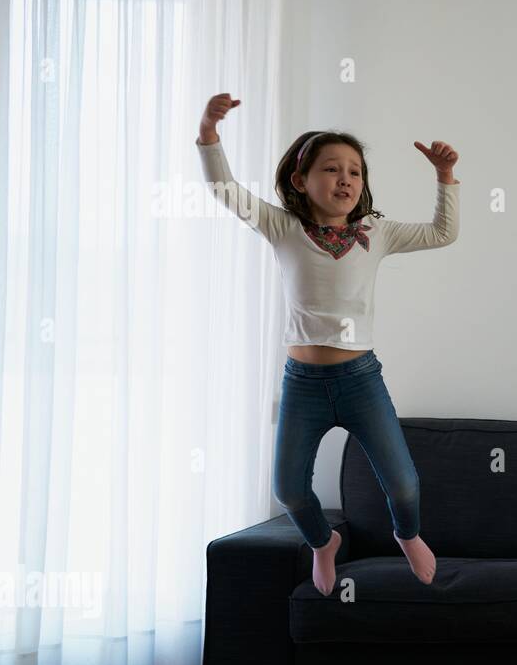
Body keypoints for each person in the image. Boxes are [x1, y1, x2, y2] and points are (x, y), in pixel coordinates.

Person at [196, 94, 461, 593]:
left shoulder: (373, 231)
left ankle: (407, 535)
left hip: (361, 379)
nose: (345, 179)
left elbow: (443, 233)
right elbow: (224, 189)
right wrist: (209, 130)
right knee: (289, 489)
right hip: (304, 384)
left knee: (403, 483)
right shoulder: (284, 226)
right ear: (301, 181)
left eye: (355, 172)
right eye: (332, 169)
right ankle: (323, 543)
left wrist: (445, 177)